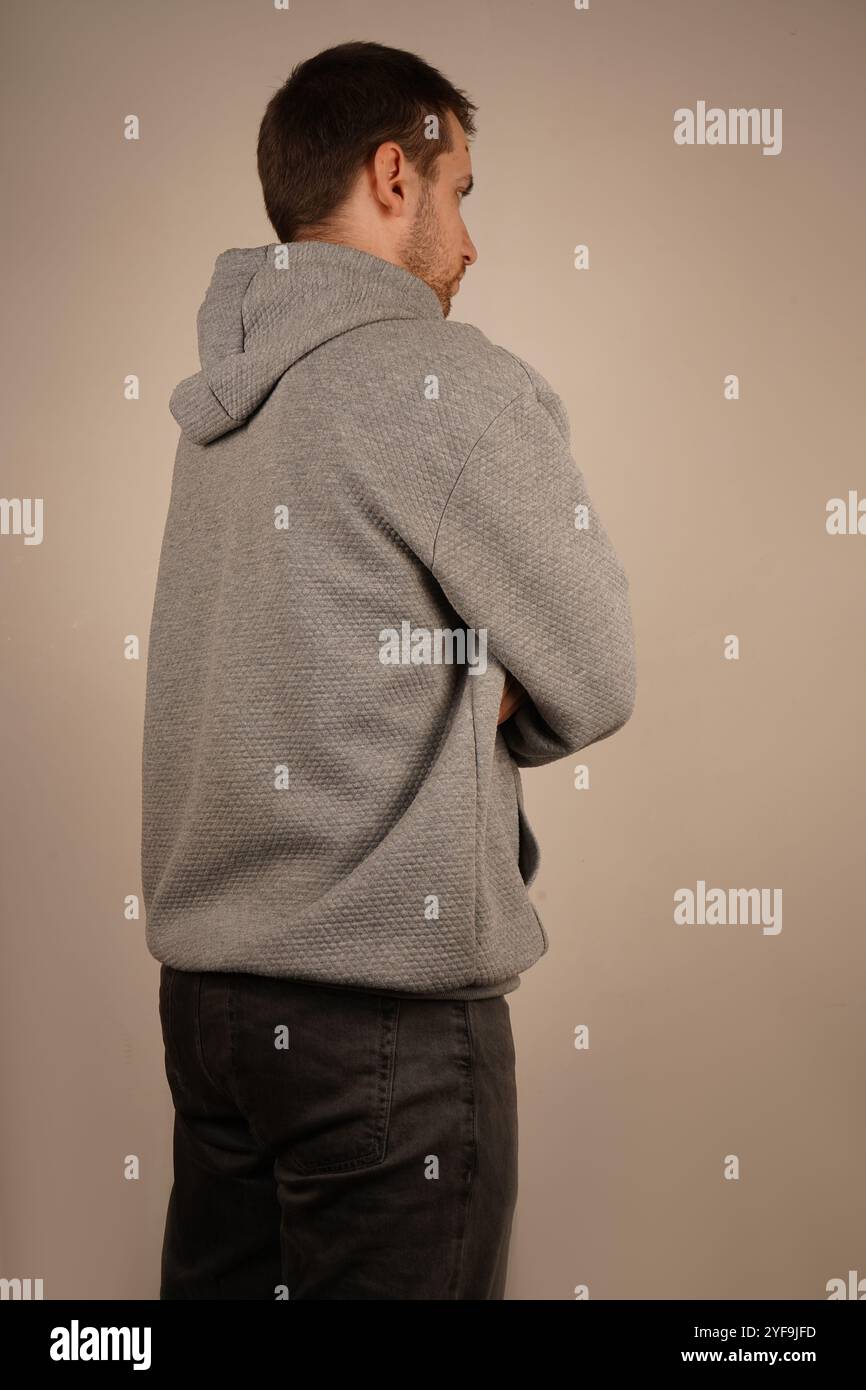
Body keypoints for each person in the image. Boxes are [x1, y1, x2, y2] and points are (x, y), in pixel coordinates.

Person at [141, 40, 636, 1300]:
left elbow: (295, 658)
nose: (472, 242)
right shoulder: (443, 382)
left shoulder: (220, 410)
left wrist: (439, 671)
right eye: (461, 191)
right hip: (380, 1026)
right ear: (390, 174)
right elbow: (594, 670)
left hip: (212, 1017)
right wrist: (484, 681)